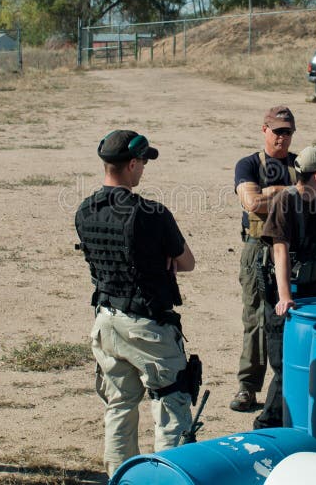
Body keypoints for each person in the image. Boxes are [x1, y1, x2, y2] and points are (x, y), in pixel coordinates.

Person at [76, 130, 196, 477]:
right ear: (130, 164)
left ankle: (119, 478)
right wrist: (162, 258)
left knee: (119, 405)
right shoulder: (151, 213)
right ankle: (170, 479)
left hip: (107, 321)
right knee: (171, 406)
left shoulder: (85, 210)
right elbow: (186, 262)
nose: (143, 168)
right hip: (148, 327)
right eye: (142, 162)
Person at [254, 146, 316, 429]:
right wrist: (284, 297)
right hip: (287, 296)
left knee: (311, 361)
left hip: (314, 292)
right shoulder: (285, 201)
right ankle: (267, 425)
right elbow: (280, 251)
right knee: (285, 366)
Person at [230, 106, 298, 412]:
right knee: (256, 318)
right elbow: (252, 202)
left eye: (288, 132)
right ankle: (248, 387)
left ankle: (289, 383)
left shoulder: (300, 165)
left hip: (295, 250)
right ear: (264, 130)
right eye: (277, 131)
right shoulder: (249, 164)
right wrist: (287, 190)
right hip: (258, 248)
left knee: (292, 316)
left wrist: (271, 193)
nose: (283, 138)